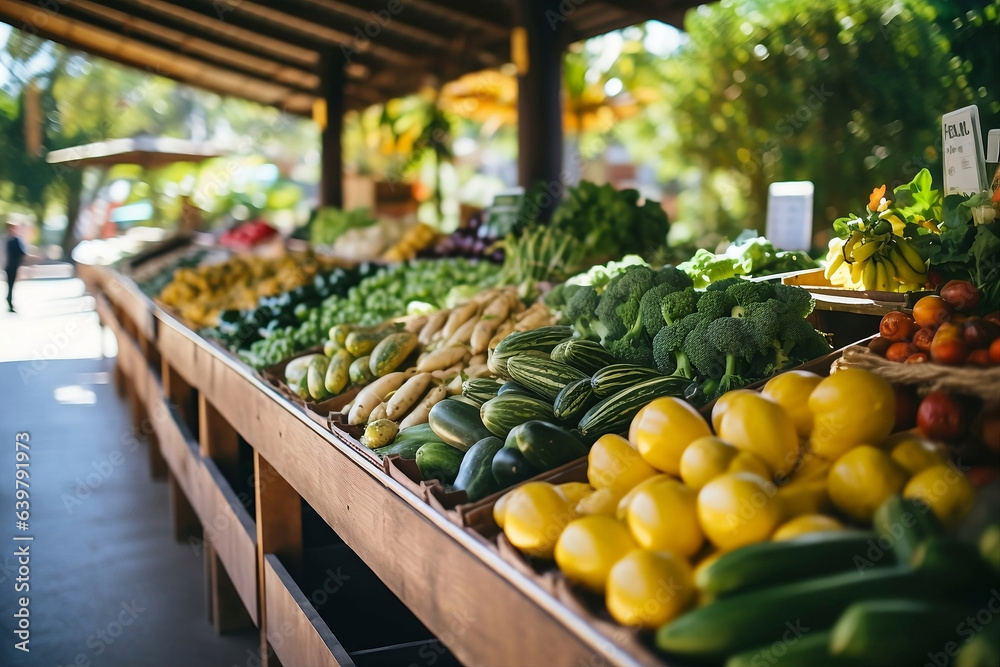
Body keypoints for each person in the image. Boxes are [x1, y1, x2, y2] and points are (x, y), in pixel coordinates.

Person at [4, 222, 26, 312]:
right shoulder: (15, 240)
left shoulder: (7, 239)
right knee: (11, 285)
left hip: (8, 265)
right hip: (12, 266)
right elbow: (21, 253)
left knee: (10, 285)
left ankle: (9, 300)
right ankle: (9, 300)